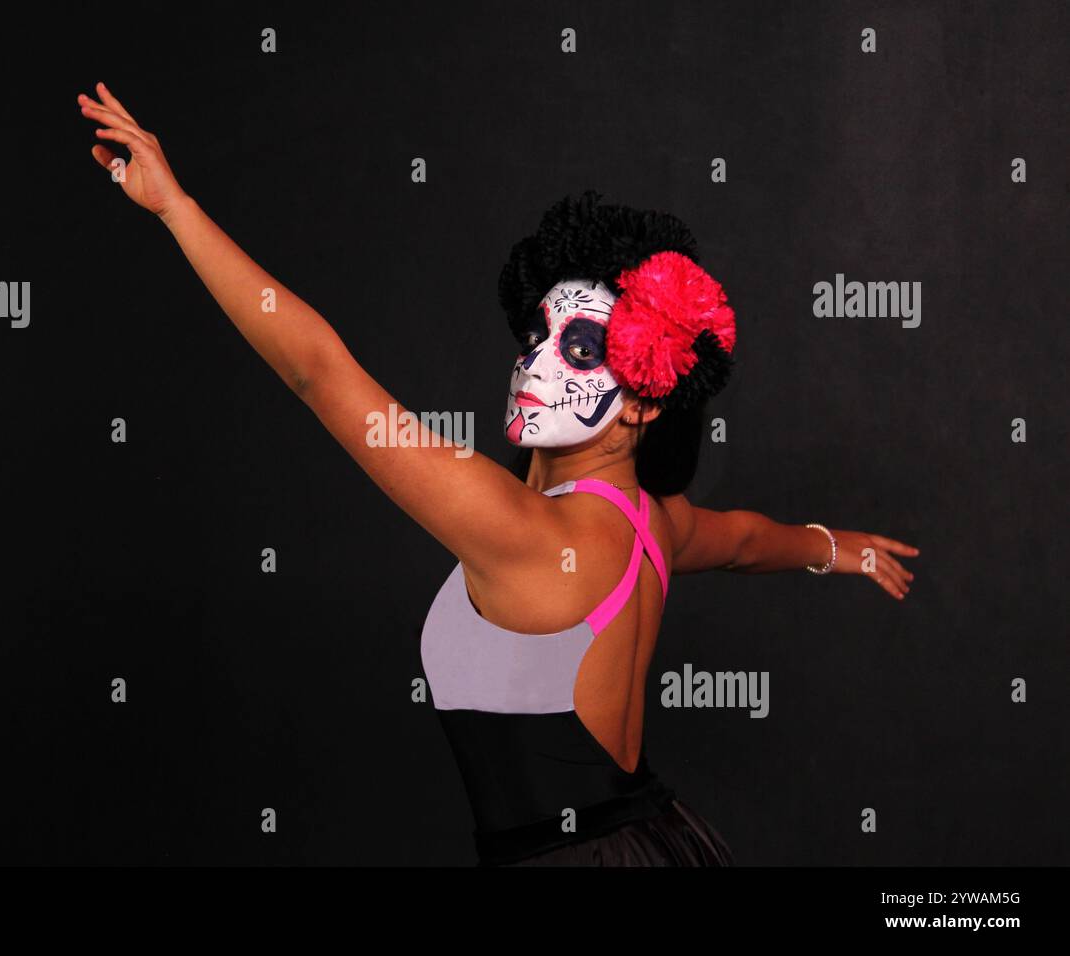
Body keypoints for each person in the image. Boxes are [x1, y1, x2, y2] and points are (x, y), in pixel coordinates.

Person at [77, 82, 919, 866]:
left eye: (581, 348)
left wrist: (177, 210)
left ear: (645, 399)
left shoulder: (527, 534)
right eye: (534, 338)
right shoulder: (652, 525)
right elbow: (738, 540)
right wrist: (837, 548)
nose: (534, 365)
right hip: (655, 842)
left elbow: (319, 373)